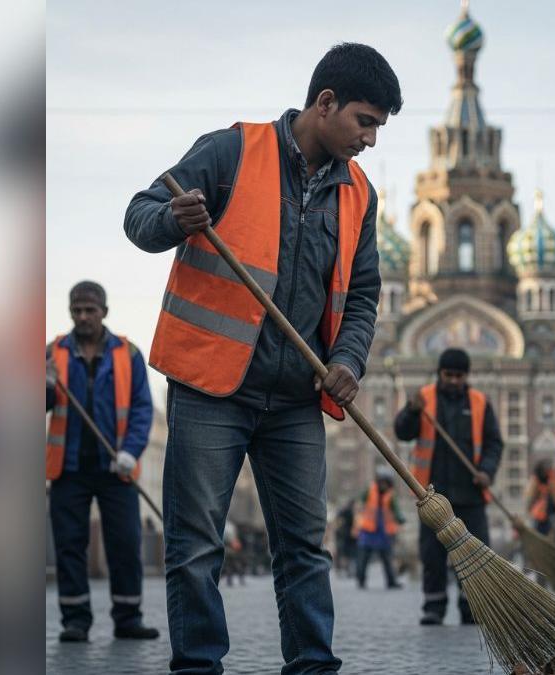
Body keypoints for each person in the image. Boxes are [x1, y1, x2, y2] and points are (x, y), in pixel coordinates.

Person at [123, 43, 402, 674]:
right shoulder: (231, 151)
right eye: (365, 122)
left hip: (297, 399)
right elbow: (137, 217)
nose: (370, 140)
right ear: (325, 103)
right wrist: (172, 217)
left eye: (378, 128)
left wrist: (350, 362)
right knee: (196, 546)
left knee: (305, 547)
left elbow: (362, 296)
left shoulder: (359, 194)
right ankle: (198, 667)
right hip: (212, 388)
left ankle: (312, 666)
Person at [46, 281, 158, 642]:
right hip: (69, 468)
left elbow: (142, 409)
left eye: (89, 310)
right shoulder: (52, 353)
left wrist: (131, 451)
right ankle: (75, 621)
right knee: (69, 545)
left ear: (104, 312)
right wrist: (44, 385)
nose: (82, 316)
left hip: (117, 469)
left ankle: (128, 617)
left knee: (125, 544)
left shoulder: (129, 354)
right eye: (76, 310)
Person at [393, 348, 503, 625]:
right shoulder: (424, 399)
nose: (454, 380)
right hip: (432, 495)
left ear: (466, 375)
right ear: (440, 373)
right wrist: (410, 411)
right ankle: (434, 606)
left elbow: (494, 443)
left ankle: (471, 607)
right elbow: (402, 433)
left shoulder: (479, 402)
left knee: (475, 555)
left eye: (459, 375)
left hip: (471, 494)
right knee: (432, 555)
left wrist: (487, 472)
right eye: (448, 375)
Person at [352, 469, 404, 589]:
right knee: (363, 558)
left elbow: (396, 511)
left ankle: (391, 581)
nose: (383, 485)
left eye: (385, 483)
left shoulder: (391, 496)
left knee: (387, 558)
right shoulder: (369, 491)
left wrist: (400, 518)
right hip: (368, 530)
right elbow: (359, 502)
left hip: (384, 532)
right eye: (381, 482)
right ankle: (361, 580)